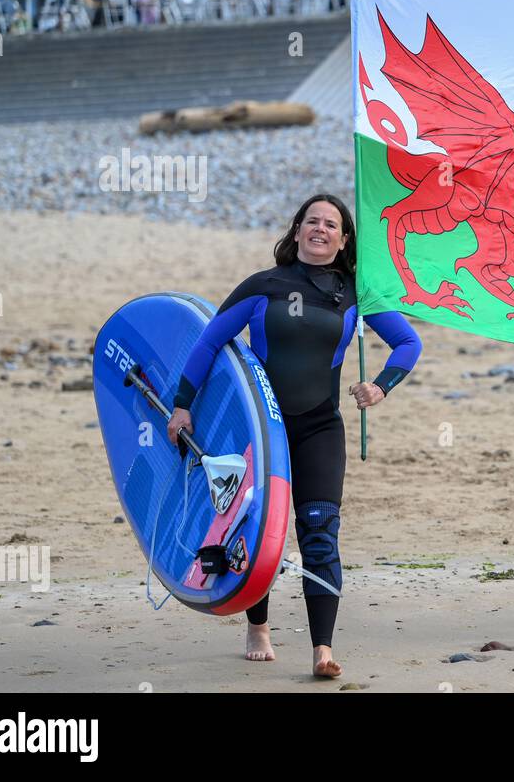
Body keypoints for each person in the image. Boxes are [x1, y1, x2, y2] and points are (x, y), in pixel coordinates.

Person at [166, 195, 422, 678]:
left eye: (331, 224)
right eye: (312, 221)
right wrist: (182, 403)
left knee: (320, 533)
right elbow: (209, 340)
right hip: (261, 427)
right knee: (259, 530)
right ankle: (258, 626)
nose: (320, 229)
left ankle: (322, 649)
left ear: (344, 239)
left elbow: (409, 343)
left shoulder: (356, 292)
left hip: (320, 427)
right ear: (298, 229)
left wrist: (380, 386)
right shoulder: (264, 285)